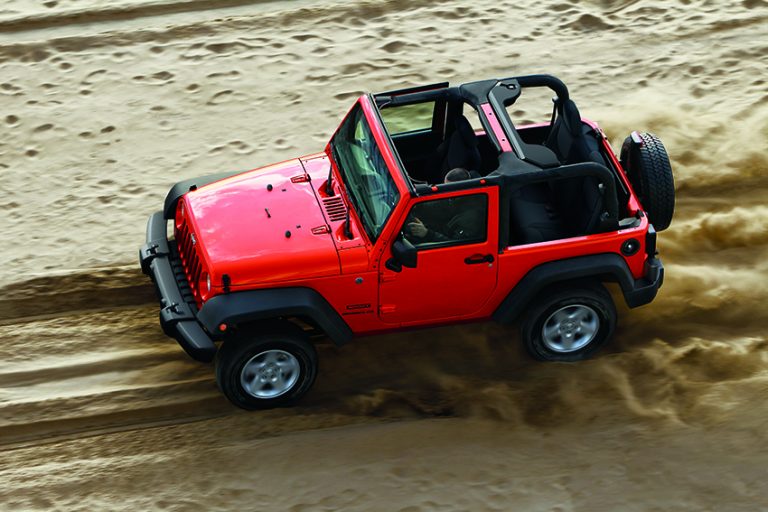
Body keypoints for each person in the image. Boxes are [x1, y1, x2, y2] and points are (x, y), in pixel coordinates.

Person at [405, 168, 485, 244]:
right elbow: (438, 205)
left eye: (449, 188)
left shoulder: (472, 218)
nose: (445, 191)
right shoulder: (455, 198)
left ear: (461, 190)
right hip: (442, 229)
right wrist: (419, 204)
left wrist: (426, 233)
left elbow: (455, 244)